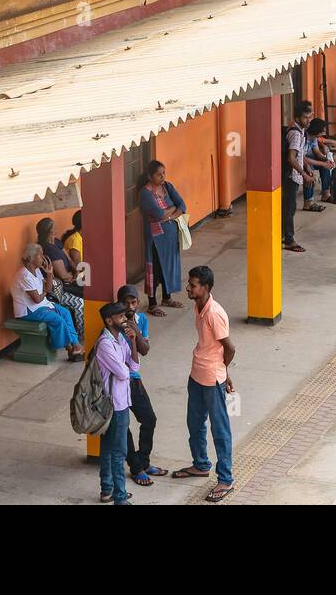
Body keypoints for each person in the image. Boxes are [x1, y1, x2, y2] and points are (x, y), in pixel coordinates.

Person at [171, 266, 235, 503]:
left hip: (212, 379)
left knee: (220, 429)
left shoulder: (214, 314)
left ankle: (226, 478)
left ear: (205, 288)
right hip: (197, 374)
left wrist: (224, 372)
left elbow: (230, 347)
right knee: (195, 423)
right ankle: (200, 464)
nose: (188, 287)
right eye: (190, 283)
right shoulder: (198, 305)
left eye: (193, 284)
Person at [116, 284, 166, 486]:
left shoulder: (141, 320)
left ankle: (143, 461)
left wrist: (135, 330)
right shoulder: (114, 322)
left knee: (149, 420)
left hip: (134, 379)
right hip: (118, 380)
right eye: (126, 303)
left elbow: (145, 350)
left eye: (133, 302)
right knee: (123, 426)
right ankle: (136, 467)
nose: (130, 306)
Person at [94, 300, 138, 504]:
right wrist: (126, 367)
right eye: (120, 317)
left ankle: (107, 490)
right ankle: (119, 497)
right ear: (109, 320)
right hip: (115, 405)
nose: (124, 320)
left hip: (120, 401)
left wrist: (134, 340)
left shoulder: (120, 338)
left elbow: (134, 367)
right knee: (119, 452)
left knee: (108, 448)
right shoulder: (104, 344)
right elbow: (122, 373)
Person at [11, 243, 84, 360]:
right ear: (31, 258)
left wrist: (49, 274)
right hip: (28, 310)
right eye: (40, 256)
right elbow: (37, 299)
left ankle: (75, 344)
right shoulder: (24, 275)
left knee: (65, 312)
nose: (43, 258)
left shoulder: (37, 270)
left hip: (41, 305)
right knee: (58, 320)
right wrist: (45, 291)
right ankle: (70, 348)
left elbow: (48, 290)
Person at [139, 160, 187, 314]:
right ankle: (152, 304)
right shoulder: (145, 193)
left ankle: (167, 297)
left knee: (169, 265)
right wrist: (172, 209)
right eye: (159, 174)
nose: (162, 177)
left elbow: (183, 205)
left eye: (163, 173)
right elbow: (159, 214)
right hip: (155, 238)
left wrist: (169, 216)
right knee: (155, 268)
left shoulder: (167, 186)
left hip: (170, 236)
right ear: (149, 176)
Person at [37, 216, 84, 334]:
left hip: (71, 279)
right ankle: (81, 333)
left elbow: (69, 259)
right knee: (80, 302)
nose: (56, 228)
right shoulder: (47, 248)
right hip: (60, 288)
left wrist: (76, 271)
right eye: (54, 227)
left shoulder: (56, 241)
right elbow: (63, 276)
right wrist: (74, 277)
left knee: (92, 288)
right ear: (49, 231)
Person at [282, 101, 315, 253]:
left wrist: (307, 167)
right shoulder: (295, 133)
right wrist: (304, 174)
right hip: (291, 176)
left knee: (290, 207)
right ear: (297, 118)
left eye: (310, 117)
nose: (309, 120)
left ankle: (284, 235)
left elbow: (300, 155)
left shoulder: (300, 131)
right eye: (305, 117)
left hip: (295, 174)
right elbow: (291, 158)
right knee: (289, 208)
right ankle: (289, 240)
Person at [302, 118, 335, 210]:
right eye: (322, 131)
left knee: (325, 166)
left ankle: (326, 194)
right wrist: (322, 163)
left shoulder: (314, 139)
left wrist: (326, 160)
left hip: (309, 160)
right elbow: (302, 158)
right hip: (300, 162)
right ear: (318, 132)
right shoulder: (304, 137)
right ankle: (308, 202)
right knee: (310, 172)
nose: (323, 133)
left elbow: (317, 152)